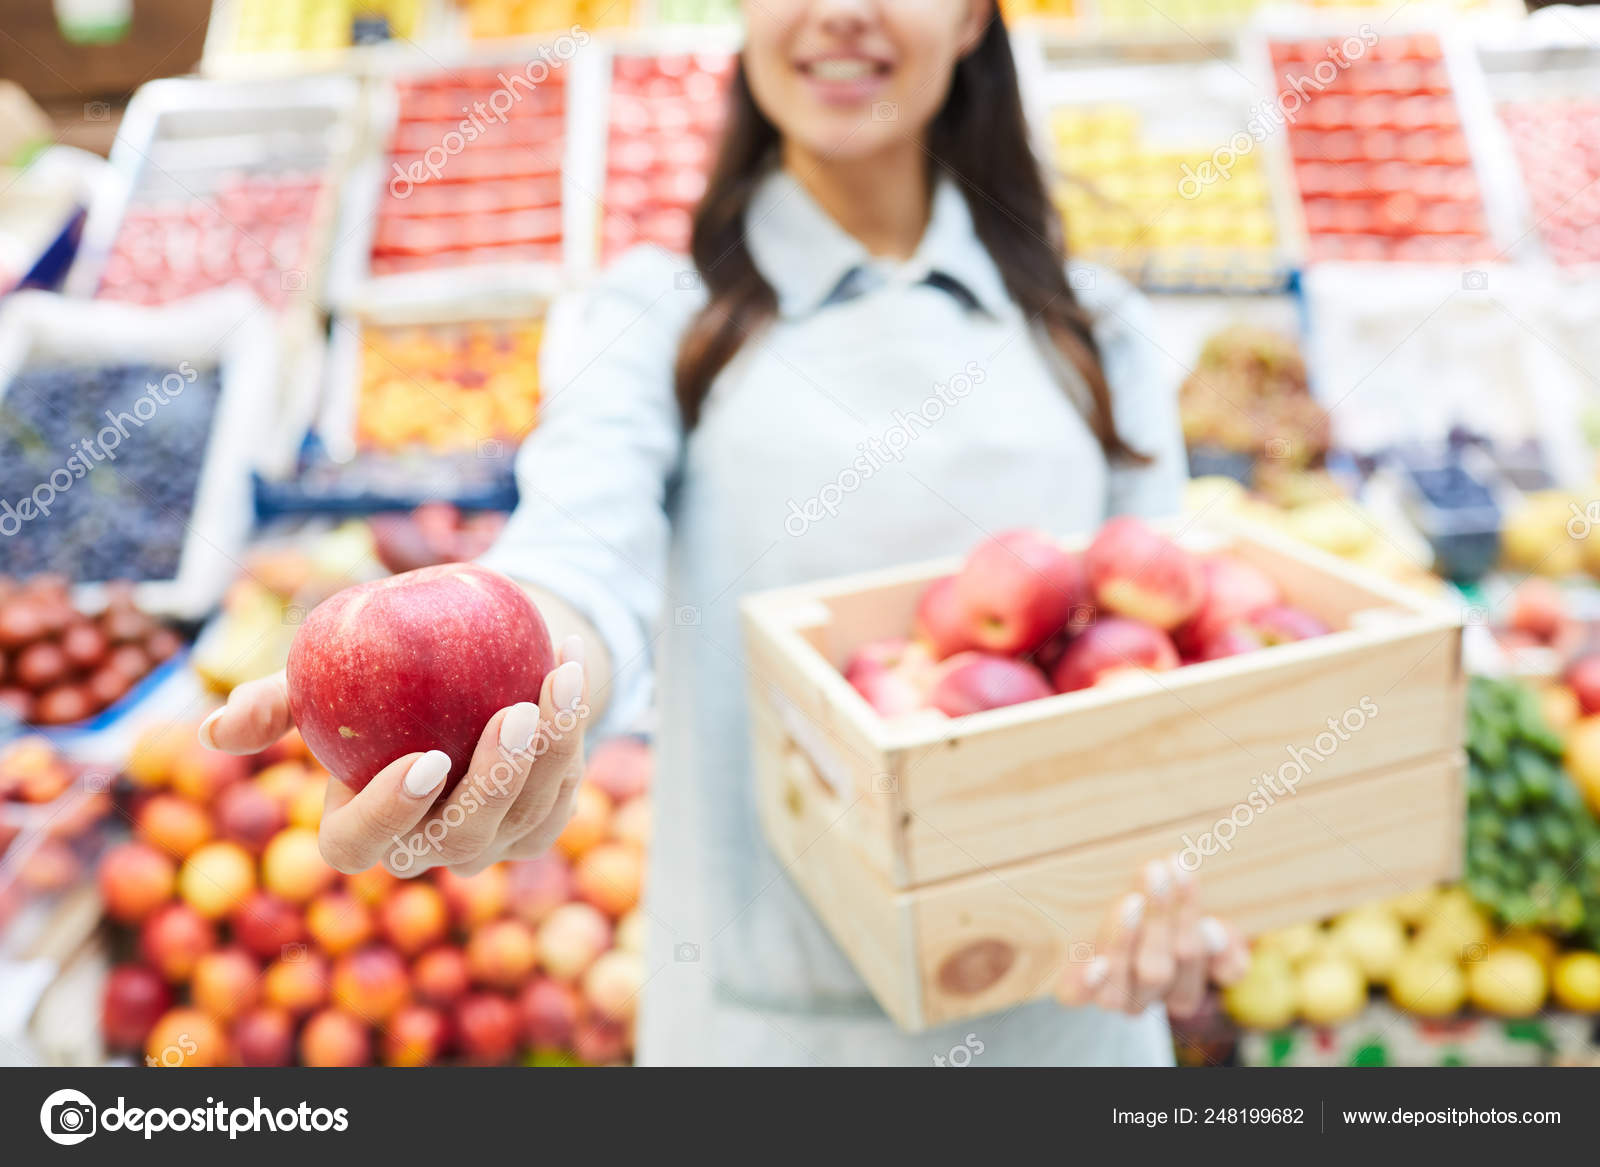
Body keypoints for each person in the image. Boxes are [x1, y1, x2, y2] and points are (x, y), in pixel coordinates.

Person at [201, 0, 1249, 1066]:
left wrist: (1195, 891)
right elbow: (578, 562)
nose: (843, 13)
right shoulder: (658, 315)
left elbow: (1171, 690)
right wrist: (517, 695)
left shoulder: (1093, 331)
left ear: (976, 16)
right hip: (774, 1030)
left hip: (1062, 1012)